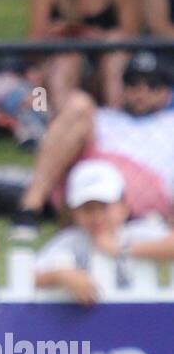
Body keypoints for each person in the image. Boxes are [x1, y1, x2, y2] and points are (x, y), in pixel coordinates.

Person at [12, 50, 174, 238]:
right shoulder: (105, 117)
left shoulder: (170, 121)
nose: (141, 92)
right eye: (133, 84)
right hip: (86, 180)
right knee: (78, 103)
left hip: (145, 191)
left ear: (167, 90)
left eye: (153, 85)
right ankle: (29, 210)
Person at [34, 159, 174, 306]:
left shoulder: (134, 234)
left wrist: (123, 249)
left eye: (104, 207)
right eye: (87, 209)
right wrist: (63, 275)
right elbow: (32, 273)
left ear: (123, 208)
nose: (97, 217)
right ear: (74, 213)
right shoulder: (71, 241)